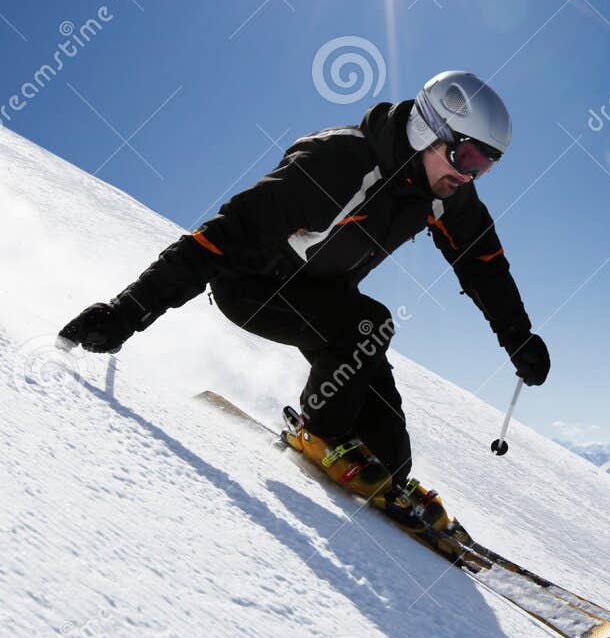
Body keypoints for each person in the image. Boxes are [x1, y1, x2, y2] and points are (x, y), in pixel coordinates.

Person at [57, 70, 550, 535]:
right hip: (253, 286)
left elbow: (483, 261)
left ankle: (387, 475)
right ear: (427, 131)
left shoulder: (445, 194)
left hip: (326, 300)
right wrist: (126, 312)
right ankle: (320, 434)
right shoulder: (337, 163)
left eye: (485, 166)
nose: (470, 176)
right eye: (467, 159)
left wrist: (518, 338)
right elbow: (218, 240)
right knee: (368, 323)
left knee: (390, 453)